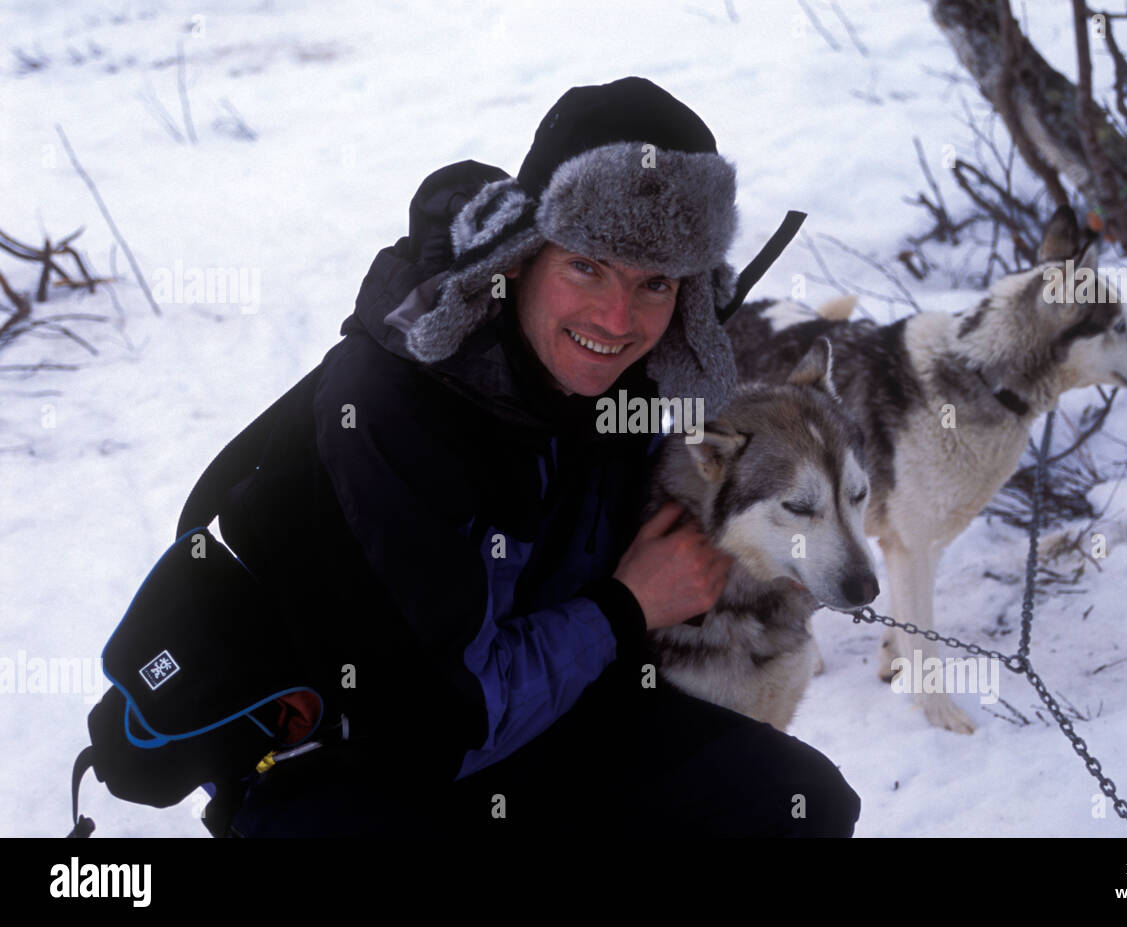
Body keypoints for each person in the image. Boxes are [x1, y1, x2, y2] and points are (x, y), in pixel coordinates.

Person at [210, 76, 861, 837]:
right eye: (587, 265)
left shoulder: (644, 380)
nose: (617, 319)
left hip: (548, 711)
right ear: (520, 255)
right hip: (362, 755)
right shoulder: (394, 405)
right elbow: (447, 720)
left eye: (653, 282)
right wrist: (625, 608)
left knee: (798, 806)